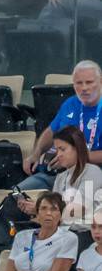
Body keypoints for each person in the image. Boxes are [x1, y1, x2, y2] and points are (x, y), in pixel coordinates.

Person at [21, 60, 102, 189]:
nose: (84, 88)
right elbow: (51, 131)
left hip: (93, 174)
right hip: (59, 173)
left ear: (100, 82)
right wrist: (36, 152)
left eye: (89, 82)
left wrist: (75, 157)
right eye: (79, 83)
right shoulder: (70, 104)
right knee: (17, 195)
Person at [15, 126, 102, 227]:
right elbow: (57, 212)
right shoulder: (61, 177)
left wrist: (41, 209)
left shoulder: (92, 172)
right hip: (62, 233)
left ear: (77, 149)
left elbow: (78, 211)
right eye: (57, 150)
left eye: (62, 149)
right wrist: (35, 210)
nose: (58, 154)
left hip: (86, 234)